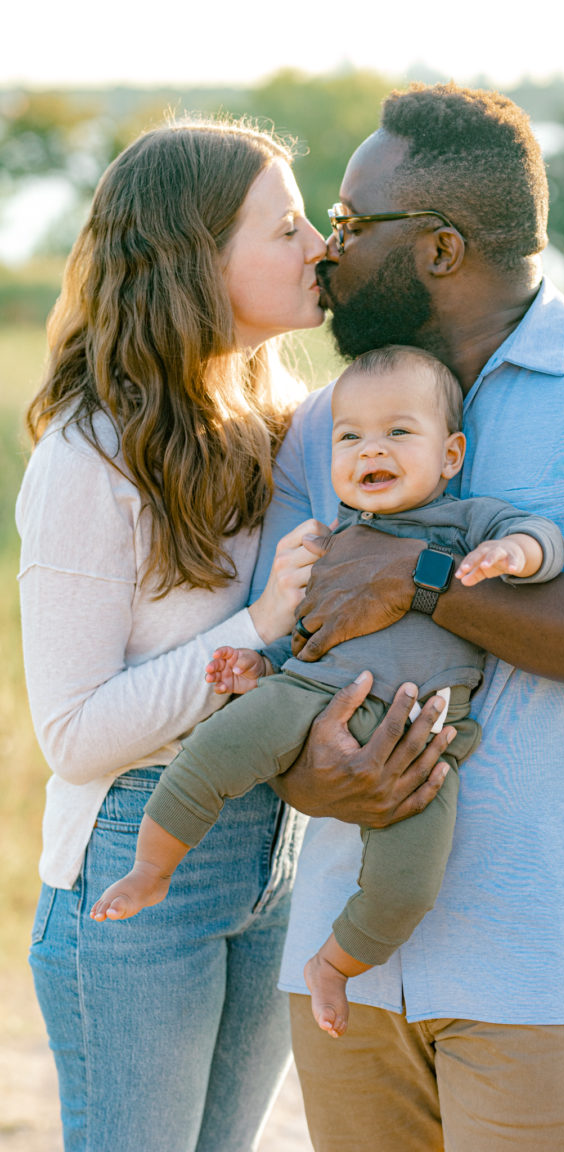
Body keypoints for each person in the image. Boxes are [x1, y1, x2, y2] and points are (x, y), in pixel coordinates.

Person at [243, 83, 564, 1151]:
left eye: (349, 224)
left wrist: (415, 578)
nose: (328, 253)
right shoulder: (323, 422)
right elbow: (274, 642)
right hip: (344, 959)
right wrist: (298, 772)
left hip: (538, 961)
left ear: (441, 247)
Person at [89, 343, 564, 1040]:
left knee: (409, 884)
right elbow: (312, 635)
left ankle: (335, 964)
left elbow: (540, 532)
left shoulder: (468, 523)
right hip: (312, 692)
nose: (373, 449)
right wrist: (262, 670)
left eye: (400, 432)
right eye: (351, 437)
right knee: (215, 751)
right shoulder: (331, 541)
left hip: (423, 744)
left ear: (451, 455)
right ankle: (152, 868)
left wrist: (515, 555)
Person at [15, 117, 335, 1152]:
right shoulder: (87, 456)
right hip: (137, 853)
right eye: (286, 228)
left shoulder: (288, 424)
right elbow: (72, 735)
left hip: (276, 842)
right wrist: (259, 626)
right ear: (199, 258)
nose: (316, 247)